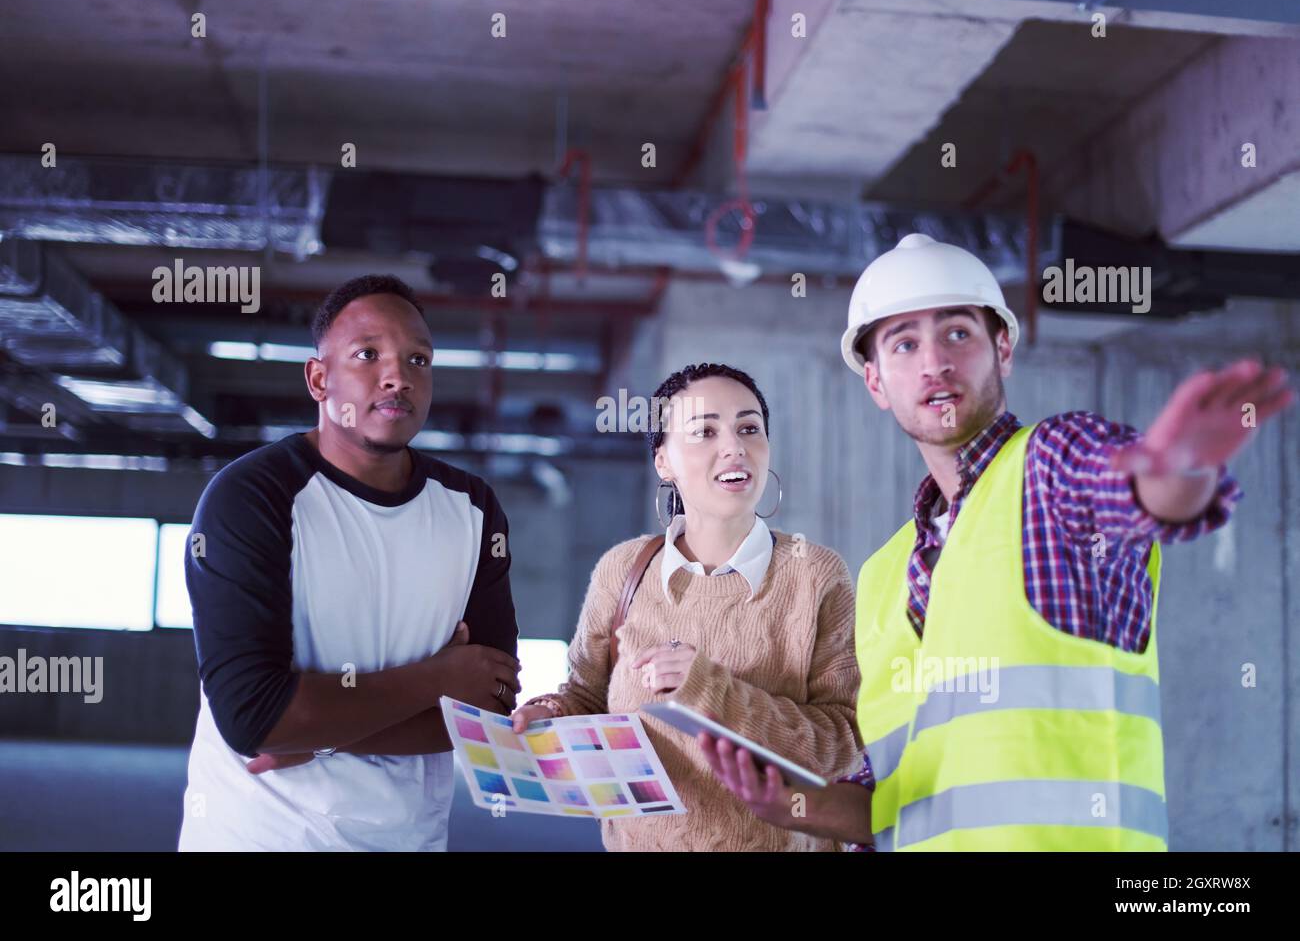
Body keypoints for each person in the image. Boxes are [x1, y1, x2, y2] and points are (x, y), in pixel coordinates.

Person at [702, 233, 1294, 851]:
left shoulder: (1050, 469)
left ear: (1003, 349)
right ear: (876, 382)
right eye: (905, 344)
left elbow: (1129, 488)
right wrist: (792, 802)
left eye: (957, 333)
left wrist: (1173, 467)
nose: (934, 362)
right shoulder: (881, 578)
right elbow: (898, 807)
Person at [178, 274, 521, 851]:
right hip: (261, 837)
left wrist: (316, 736)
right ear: (319, 377)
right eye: (368, 355)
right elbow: (253, 720)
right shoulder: (253, 497)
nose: (398, 376)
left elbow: (489, 706)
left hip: (408, 840)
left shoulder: (472, 507)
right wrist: (438, 678)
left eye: (419, 360)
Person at [512, 363, 861, 850]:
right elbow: (587, 697)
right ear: (664, 462)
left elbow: (841, 746)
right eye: (704, 432)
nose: (735, 446)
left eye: (748, 428)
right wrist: (549, 713)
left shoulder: (817, 574)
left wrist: (708, 689)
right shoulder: (623, 569)